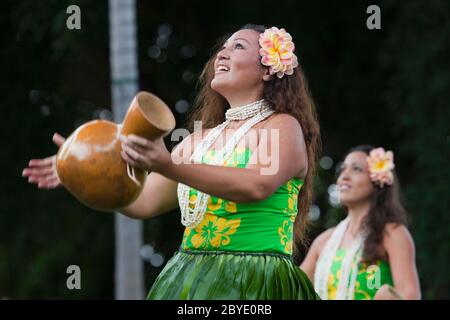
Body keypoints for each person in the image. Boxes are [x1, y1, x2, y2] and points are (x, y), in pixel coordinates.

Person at [23, 24, 321, 299]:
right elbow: (142, 202)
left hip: (258, 281)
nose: (223, 54)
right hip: (193, 279)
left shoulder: (282, 127)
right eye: (223, 47)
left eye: (238, 47)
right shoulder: (195, 142)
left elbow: (257, 186)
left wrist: (167, 164)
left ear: (268, 70)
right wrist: (83, 173)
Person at [301, 145, 421, 300]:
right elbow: (292, 290)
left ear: (377, 179)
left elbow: (409, 295)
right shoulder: (324, 242)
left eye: (356, 169)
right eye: (343, 169)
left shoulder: (393, 233)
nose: (344, 176)